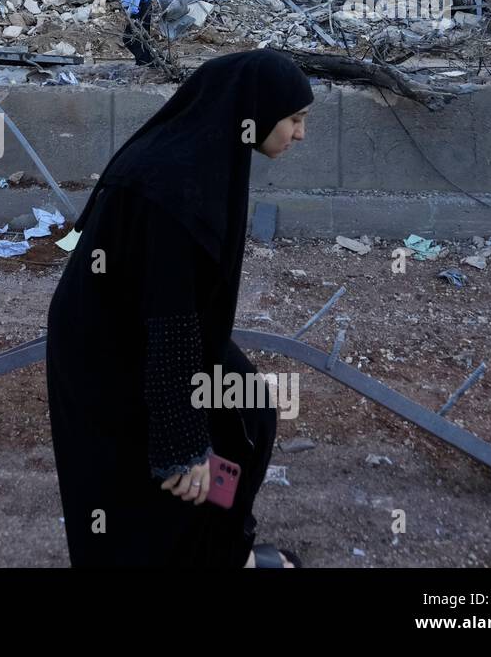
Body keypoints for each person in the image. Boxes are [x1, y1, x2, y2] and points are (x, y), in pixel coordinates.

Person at [45, 49, 314, 568]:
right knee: (149, 477)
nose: (300, 134)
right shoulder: (177, 183)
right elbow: (169, 320)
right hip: (108, 350)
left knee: (246, 415)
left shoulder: (206, 155)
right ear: (257, 112)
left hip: (143, 328)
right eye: (295, 120)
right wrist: (182, 444)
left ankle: (224, 554)